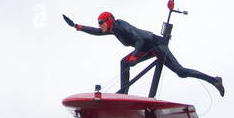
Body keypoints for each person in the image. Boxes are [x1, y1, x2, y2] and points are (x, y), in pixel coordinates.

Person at [64, 11, 225, 96]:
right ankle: (124, 94)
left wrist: (135, 55)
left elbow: (139, 40)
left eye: (101, 23)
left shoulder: (119, 25)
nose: (100, 26)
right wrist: (77, 26)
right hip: (147, 48)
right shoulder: (113, 30)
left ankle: (214, 81)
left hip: (155, 45)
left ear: (109, 20)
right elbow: (96, 32)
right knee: (124, 63)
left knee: (181, 72)